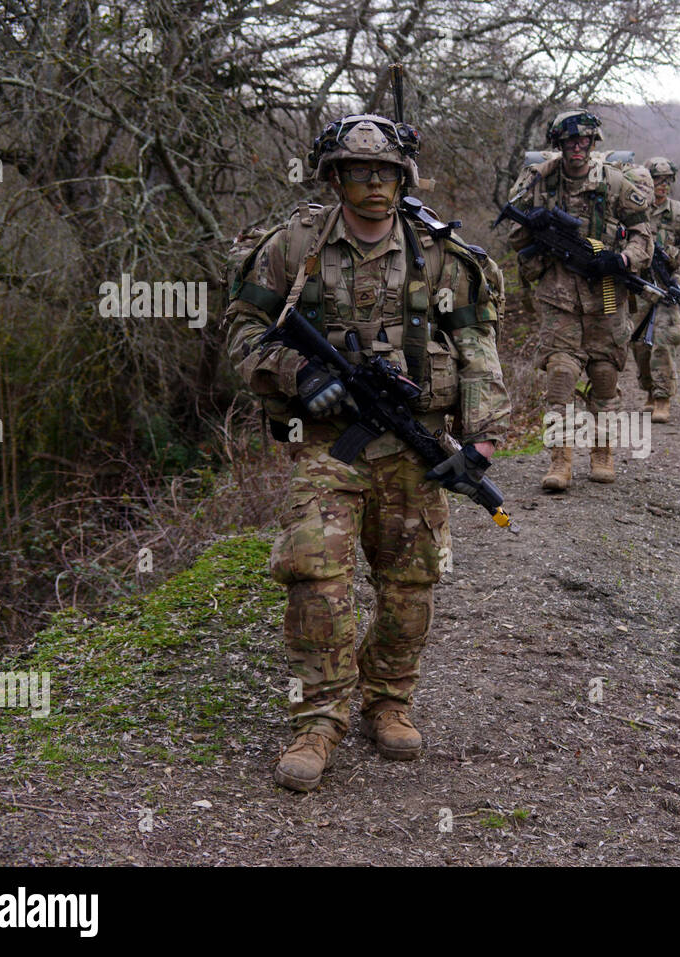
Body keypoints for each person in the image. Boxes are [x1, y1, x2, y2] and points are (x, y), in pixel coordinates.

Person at [223, 114, 511, 791]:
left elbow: (477, 346)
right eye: (358, 171)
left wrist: (482, 438)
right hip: (327, 445)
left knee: (411, 584)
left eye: (385, 171)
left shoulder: (440, 255)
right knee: (315, 576)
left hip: (415, 444)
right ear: (334, 177)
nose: (373, 184)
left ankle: (388, 700)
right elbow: (241, 332)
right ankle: (318, 719)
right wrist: (300, 375)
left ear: (403, 176)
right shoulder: (293, 247)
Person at [504, 109, 654, 489]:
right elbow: (514, 237)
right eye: (570, 140)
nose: (578, 147)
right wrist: (533, 225)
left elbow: (643, 238)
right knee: (560, 377)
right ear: (559, 143)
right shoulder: (538, 182)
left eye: (584, 140)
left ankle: (602, 452)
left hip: (605, 292)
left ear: (592, 143)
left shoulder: (616, 183)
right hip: (558, 294)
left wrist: (621, 258)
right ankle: (560, 460)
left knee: (604, 376)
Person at [632, 156, 680, 423]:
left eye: (667, 181)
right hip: (639, 286)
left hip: (667, 286)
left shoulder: (678, 214)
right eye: (657, 180)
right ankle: (650, 391)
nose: (662, 186)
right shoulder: (635, 210)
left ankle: (663, 399)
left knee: (663, 340)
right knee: (639, 344)